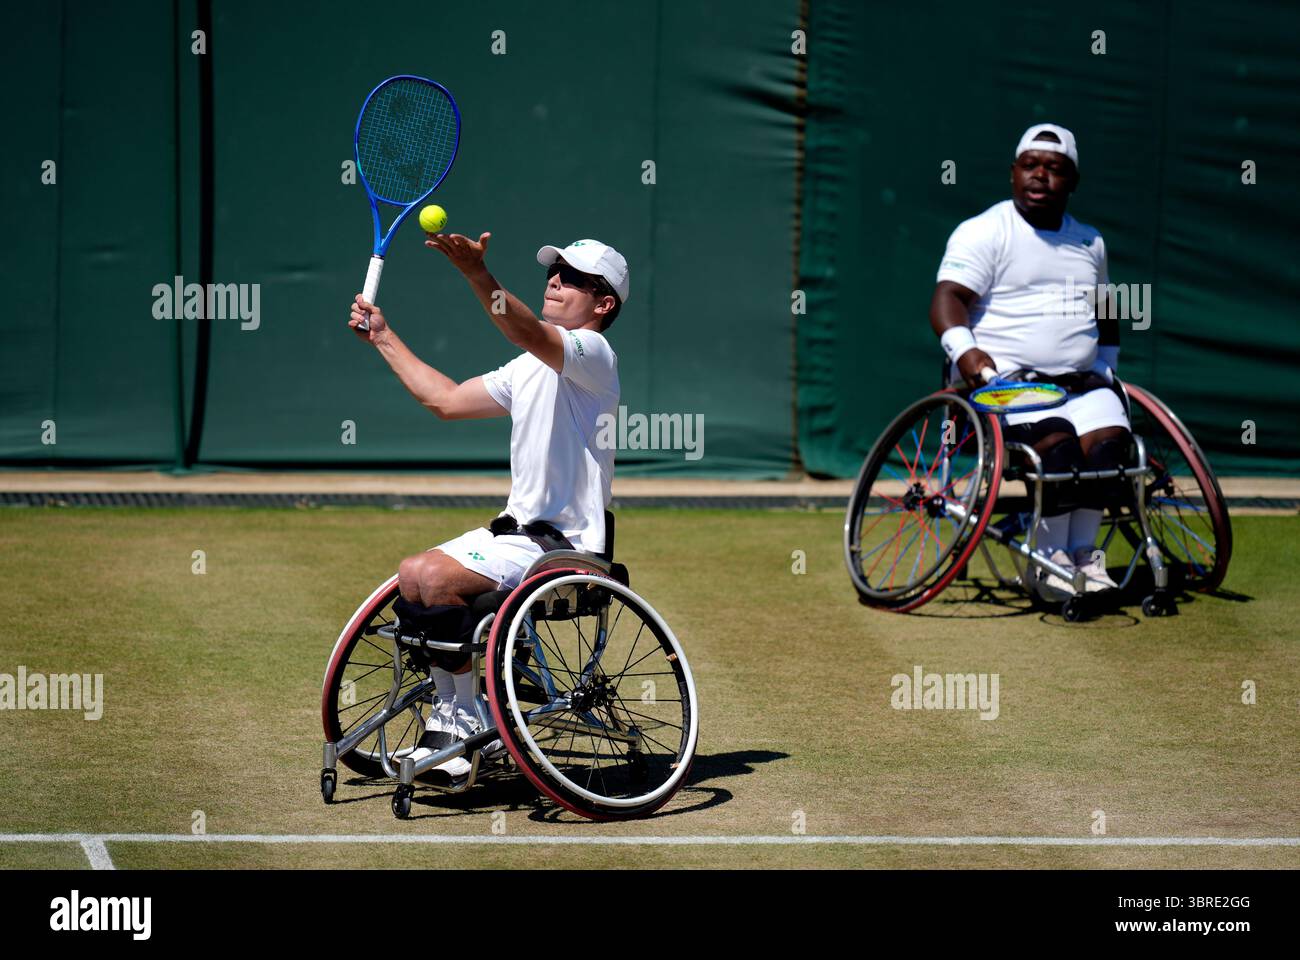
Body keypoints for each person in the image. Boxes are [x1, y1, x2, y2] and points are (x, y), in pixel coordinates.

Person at [347, 232, 626, 777]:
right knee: (413, 575)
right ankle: (460, 714)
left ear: (603, 303)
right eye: (554, 271)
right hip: (514, 535)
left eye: (572, 278)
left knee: (435, 577)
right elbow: (445, 401)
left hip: (564, 549)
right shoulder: (526, 368)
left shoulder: (594, 354)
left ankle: (463, 719)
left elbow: (520, 326)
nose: (555, 280)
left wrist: (477, 272)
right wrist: (383, 336)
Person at [929, 123, 1128, 600]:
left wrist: (1107, 365)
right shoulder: (984, 231)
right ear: (1013, 173)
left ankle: (1084, 555)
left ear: (1072, 182)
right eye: (1031, 166)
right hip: (1007, 385)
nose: (1041, 176)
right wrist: (969, 355)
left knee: (1110, 451)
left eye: (1055, 169)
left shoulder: (1090, 242)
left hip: (1080, 384)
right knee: (1056, 448)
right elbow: (947, 298)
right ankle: (1049, 559)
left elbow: (1109, 309)